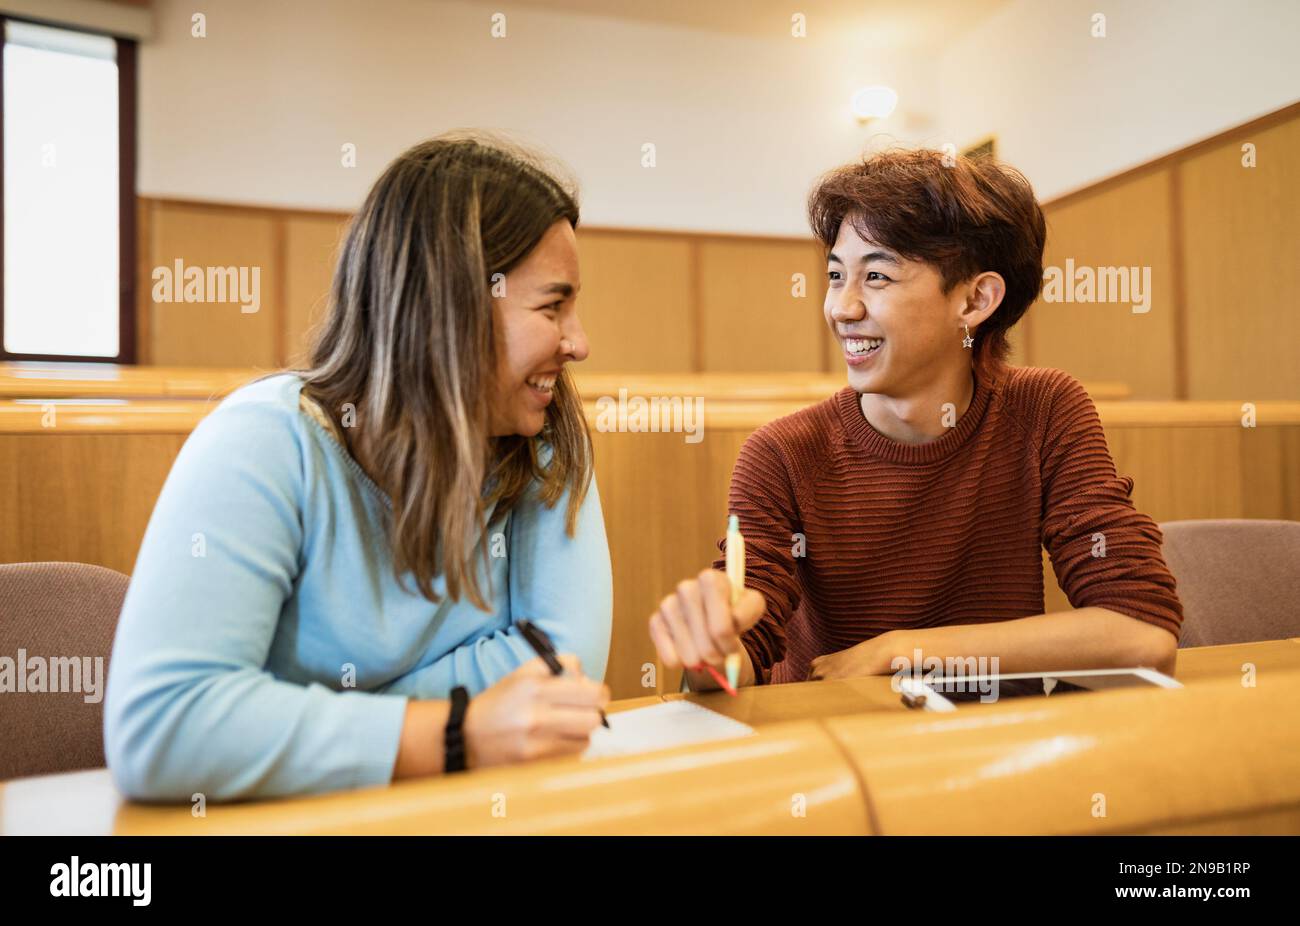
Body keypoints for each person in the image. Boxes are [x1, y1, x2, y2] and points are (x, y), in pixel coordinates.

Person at [105, 135, 611, 800]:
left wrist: (281, 709)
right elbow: (162, 726)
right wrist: (459, 731)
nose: (579, 342)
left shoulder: (543, 438)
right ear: (450, 303)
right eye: (553, 307)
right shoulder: (264, 441)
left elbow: (561, 676)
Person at [647, 148, 1182, 690]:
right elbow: (734, 666)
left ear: (975, 300)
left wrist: (905, 650)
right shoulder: (782, 452)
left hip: (995, 745)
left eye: (876, 276)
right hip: (844, 749)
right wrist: (709, 647)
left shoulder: (1044, 411)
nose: (841, 307)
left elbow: (1144, 634)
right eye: (836, 275)